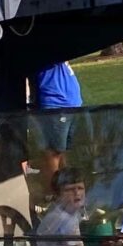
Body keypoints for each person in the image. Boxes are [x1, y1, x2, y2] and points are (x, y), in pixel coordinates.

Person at [31, 62, 83, 191]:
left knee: (63, 152)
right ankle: (56, 195)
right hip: (55, 104)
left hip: (72, 103)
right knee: (53, 153)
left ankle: (69, 191)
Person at [36, 167, 87, 246]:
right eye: (70, 189)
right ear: (58, 194)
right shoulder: (61, 218)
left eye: (80, 188)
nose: (77, 193)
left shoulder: (72, 213)